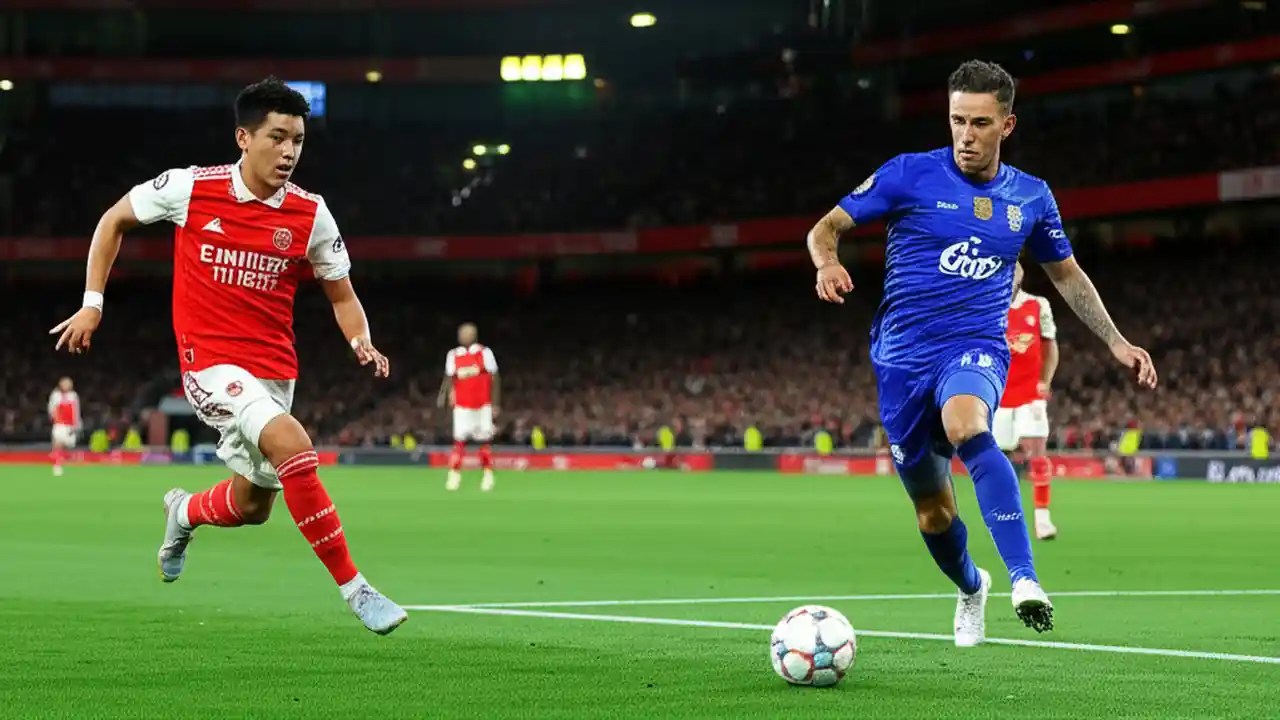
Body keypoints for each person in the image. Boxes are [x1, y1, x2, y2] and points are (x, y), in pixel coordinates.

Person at [806, 60, 1157, 646]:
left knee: (968, 424)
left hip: (975, 348)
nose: (966, 135)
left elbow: (1068, 276)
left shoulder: (1031, 197)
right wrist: (827, 262)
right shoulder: (908, 175)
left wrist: (1116, 341)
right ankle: (972, 586)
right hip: (901, 360)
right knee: (934, 514)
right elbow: (825, 227)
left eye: (980, 123)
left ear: (1007, 124)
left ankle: (1026, 580)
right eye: (956, 121)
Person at [48, 77, 407, 635]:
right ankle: (356, 589)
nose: (289, 152)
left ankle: (183, 512)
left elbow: (341, 291)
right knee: (293, 441)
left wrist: (360, 337)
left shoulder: (311, 214)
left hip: (275, 370)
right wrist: (93, 303)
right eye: (278, 137)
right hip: (209, 364)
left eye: (299, 141)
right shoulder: (191, 188)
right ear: (244, 137)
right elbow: (112, 219)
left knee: (252, 505)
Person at [995, 282, 1060, 540]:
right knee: (998, 457)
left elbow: (1049, 345)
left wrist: (1046, 380)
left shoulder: (1037, 304)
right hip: (999, 395)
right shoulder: (988, 303)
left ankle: (1042, 520)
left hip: (1030, 394)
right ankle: (1003, 516)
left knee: (1037, 453)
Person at [437, 323, 500, 492]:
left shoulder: (484, 353)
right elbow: (449, 378)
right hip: (462, 406)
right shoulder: (453, 355)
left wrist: (495, 403)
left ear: (474, 335)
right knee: (459, 442)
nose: (463, 336)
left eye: (467, 333)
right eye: (461, 333)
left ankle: (488, 476)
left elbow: (495, 378)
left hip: (482, 404)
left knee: (484, 443)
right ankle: (454, 476)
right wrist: (445, 395)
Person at [48, 376, 81, 477]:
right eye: (65, 383)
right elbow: (51, 407)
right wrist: (53, 416)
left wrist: (77, 424)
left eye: (69, 383)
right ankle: (57, 465)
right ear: (60, 384)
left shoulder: (73, 395)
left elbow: (76, 410)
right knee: (57, 443)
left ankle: (62, 459)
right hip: (59, 424)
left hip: (70, 425)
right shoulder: (55, 395)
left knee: (68, 445)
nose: (67, 385)